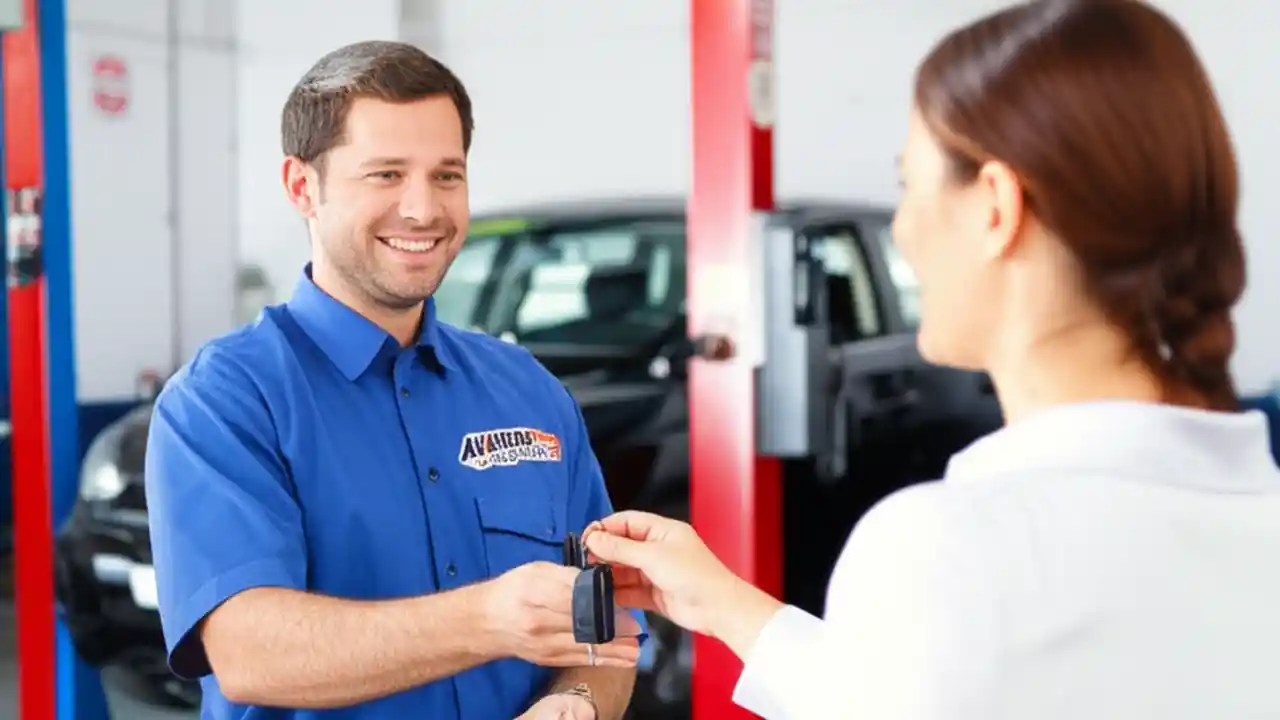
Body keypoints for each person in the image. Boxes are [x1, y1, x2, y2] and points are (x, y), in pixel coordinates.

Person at [583, 1, 1280, 718]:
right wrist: (727, 605)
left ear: (994, 207)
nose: (906, 233)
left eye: (908, 185)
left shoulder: (943, 551)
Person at [144, 40, 645, 720]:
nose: (423, 210)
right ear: (302, 188)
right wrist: (489, 619)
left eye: (447, 175)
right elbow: (247, 653)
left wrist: (577, 701)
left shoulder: (528, 391)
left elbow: (607, 628)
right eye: (385, 175)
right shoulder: (226, 401)